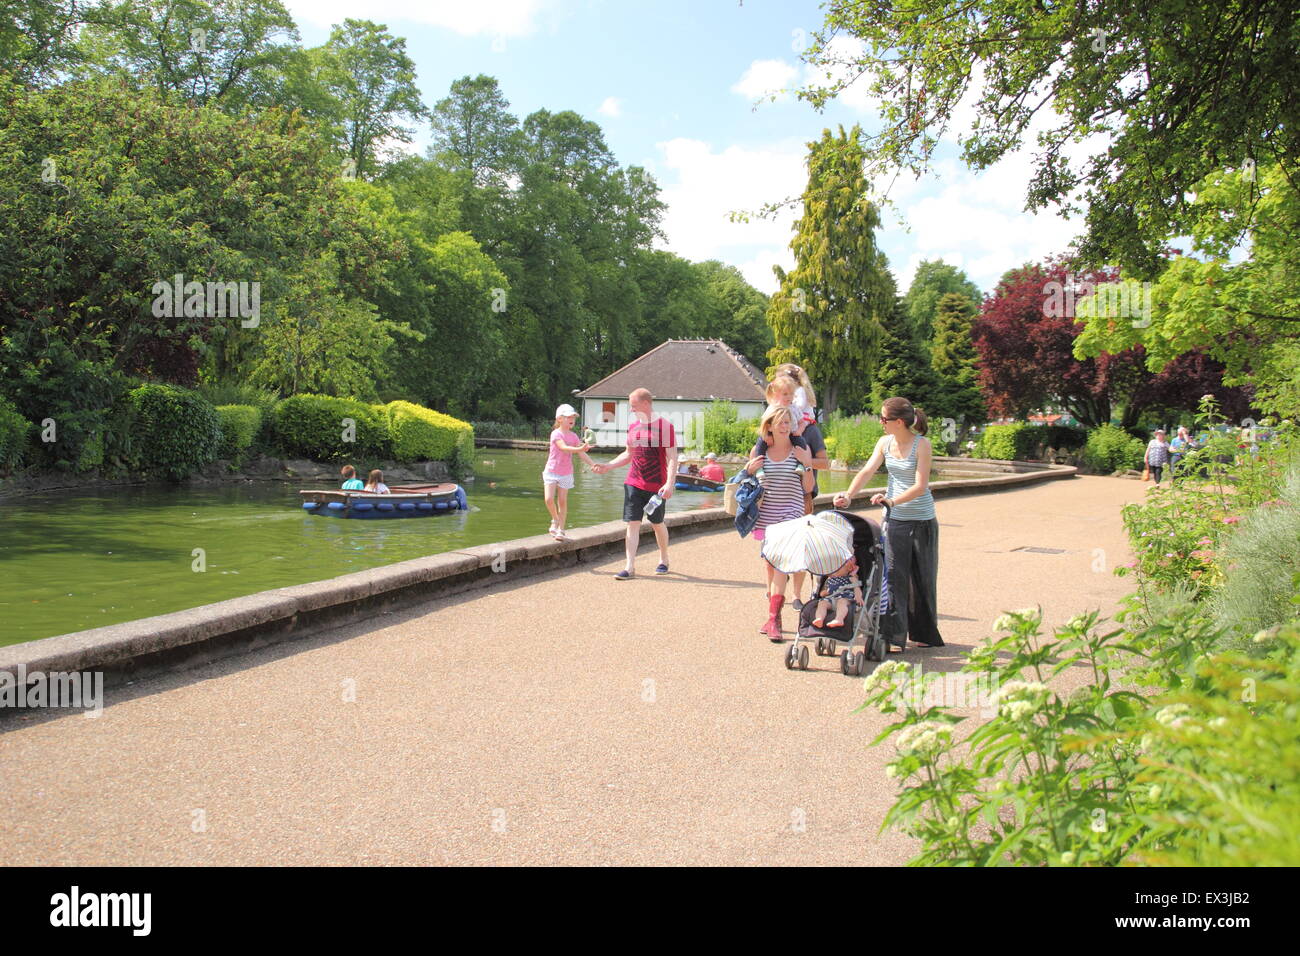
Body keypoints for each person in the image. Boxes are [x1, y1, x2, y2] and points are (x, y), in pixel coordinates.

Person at [832, 396, 944, 652]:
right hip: (894, 519)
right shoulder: (885, 442)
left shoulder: (921, 445)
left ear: (900, 422)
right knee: (893, 577)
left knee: (922, 577)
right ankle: (894, 636)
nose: (880, 422)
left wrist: (892, 501)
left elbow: (920, 486)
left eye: (884, 419)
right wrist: (848, 495)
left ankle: (924, 633)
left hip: (922, 519)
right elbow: (867, 471)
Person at [590, 388, 677, 578]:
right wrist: (608, 466)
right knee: (632, 523)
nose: (631, 410)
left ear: (646, 404)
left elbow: (672, 457)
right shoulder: (633, 427)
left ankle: (664, 558)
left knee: (657, 523)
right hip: (633, 483)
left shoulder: (664, 427)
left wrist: (670, 483)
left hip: (656, 487)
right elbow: (628, 454)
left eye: (634, 406)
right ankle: (629, 566)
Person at [747, 405, 810, 641]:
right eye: (780, 423)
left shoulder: (799, 449)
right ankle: (775, 616)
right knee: (772, 567)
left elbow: (808, 488)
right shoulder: (760, 451)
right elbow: (747, 482)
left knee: (782, 565)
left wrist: (807, 465)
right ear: (770, 426)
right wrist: (748, 471)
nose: (785, 427)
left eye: (787, 422)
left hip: (791, 514)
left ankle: (773, 619)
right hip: (766, 516)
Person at [544, 404, 594, 541]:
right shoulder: (556, 433)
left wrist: (592, 464)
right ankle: (555, 519)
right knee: (548, 499)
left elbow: (581, 454)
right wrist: (580, 449)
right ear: (560, 419)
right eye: (568, 417)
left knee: (562, 501)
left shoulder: (574, 436)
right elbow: (564, 448)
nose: (572, 419)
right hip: (552, 471)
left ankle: (561, 529)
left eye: (573, 417)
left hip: (566, 473)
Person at [812, 556, 863, 629]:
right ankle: (819, 618)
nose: (834, 569)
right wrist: (826, 592)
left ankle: (839, 619)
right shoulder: (829, 579)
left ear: (849, 568)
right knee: (822, 603)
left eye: (837, 567)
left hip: (845, 598)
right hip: (831, 599)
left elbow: (856, 587)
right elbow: (822, 593)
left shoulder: (851, 578)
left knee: (841, 602)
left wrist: (858, 596)